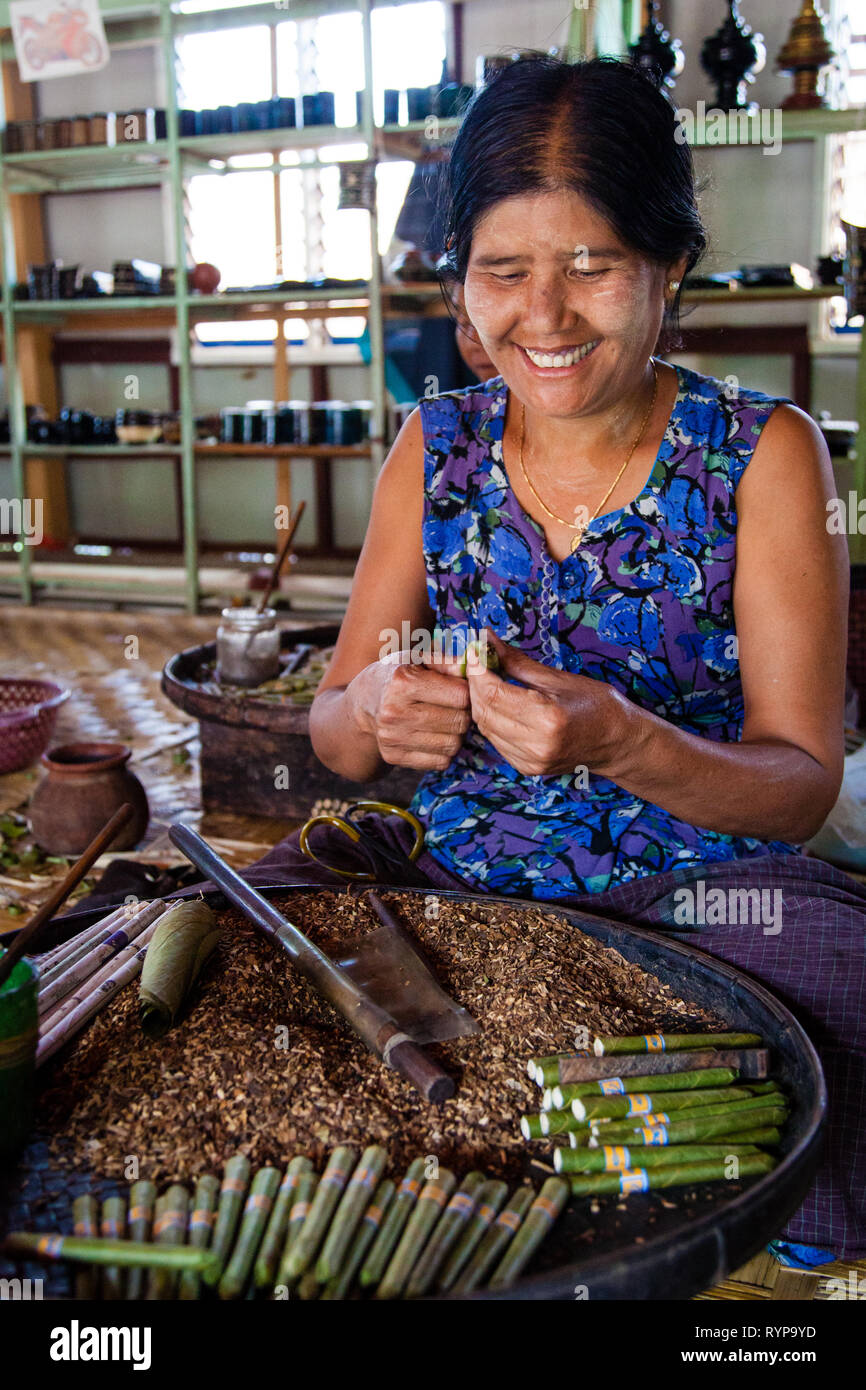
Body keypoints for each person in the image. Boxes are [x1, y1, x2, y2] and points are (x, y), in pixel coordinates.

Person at [247, 56, 864, 1258]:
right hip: (451, 876)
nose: (542, 318)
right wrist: (374, 701)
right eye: (501, 272)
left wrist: (624, 740)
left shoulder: (762, 454)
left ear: (667, 264)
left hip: (690, 894)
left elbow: (797, 788)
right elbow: (330, 733)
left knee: (842, 976)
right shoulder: (435, 443)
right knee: (230, 939)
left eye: (590, 266)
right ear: (460, 277)